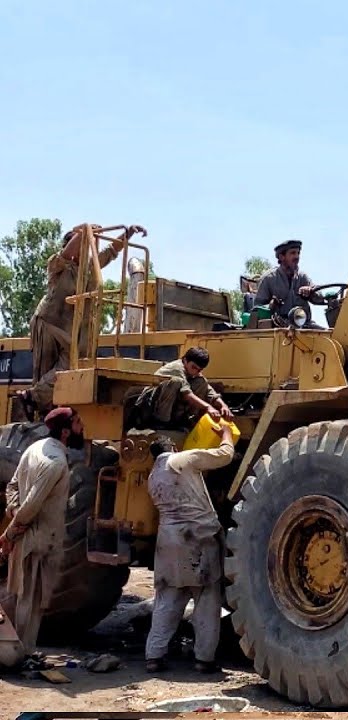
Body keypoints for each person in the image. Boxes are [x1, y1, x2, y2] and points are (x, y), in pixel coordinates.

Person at [144, 422, 235, 674]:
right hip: (198, 540)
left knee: (168, 600)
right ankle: (204, 659)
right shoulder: (183, 458)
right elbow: (225, 456)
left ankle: (154, 656)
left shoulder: (153, 477)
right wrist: (226, 433)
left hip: (168, 543)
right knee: (206, 600)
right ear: (173, 447)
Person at [24, 225, 141, 415]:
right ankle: (39, 410)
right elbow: (68, 251)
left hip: (71, 328)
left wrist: (128, 233)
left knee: (70, 366)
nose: (87, 249)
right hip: (49, 323)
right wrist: (84, 231)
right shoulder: (58, 264)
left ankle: (31, 397)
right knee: (44, 369)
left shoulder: (89, 267)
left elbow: (111, 251)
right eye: (84, 244)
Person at [0, 408, 83, 664]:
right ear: (66, 431)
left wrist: (12, 508)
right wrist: (10, 533)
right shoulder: (55, 463)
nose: (83, 427)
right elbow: (33, 505)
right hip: (37, 539)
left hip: (29, 534)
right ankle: (17, 656)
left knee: (23, 595)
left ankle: (15, 650)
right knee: (30, 599)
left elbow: (13, 484)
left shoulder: (35, 448)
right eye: (79, 423)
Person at [131, 348, 232, 430]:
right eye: (193, 367)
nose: (195, 372)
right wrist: (208, 407)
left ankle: (182, 421)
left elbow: (209, 391)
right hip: (149, 407)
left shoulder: (192, 373)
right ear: (185, 360)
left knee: (201, 382)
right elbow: (186, 394)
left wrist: (223, 406)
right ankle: (161, 421)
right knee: (176, 382)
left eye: (199, 370)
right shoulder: (176, 368)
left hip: (170, 408)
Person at [254, 240, 322, 328]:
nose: (297, 256)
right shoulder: (269, 279)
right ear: (282, 257)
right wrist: (270, 305)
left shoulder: (302, 277)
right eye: (293, 253)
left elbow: (319, 298)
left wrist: (311, 292)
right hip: (278, 327)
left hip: (304, 325)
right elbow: (256, 310)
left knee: (329, 337)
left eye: (298, 253)